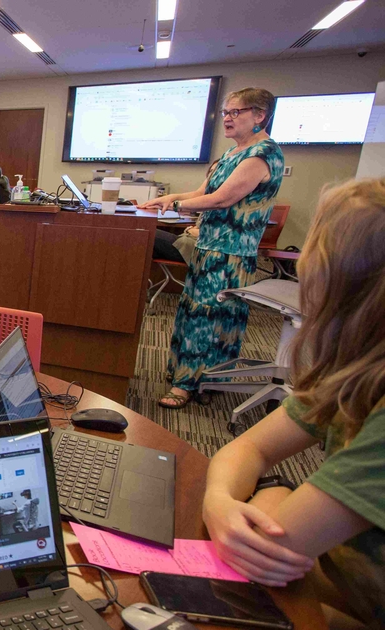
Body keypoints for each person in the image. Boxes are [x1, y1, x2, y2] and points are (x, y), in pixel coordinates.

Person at [200, 178, 385, 628]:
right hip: (342, 579)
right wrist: (218, 499)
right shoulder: (353, 372)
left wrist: (266, 497)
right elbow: (250, 449)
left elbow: (270, 546)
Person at [140, 88, 285, 409]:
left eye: (237, 112)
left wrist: (178, 204)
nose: (228, 119)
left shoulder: (262, 154)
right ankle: (195, 376)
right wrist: (168, 198)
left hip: (231, 253)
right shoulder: (232, 154)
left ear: (260, 116)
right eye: (225, 113)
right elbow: (204, 191)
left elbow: (223, 199)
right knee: (193, 313)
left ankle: (190, 384)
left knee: (212, 319)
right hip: (208, 246)